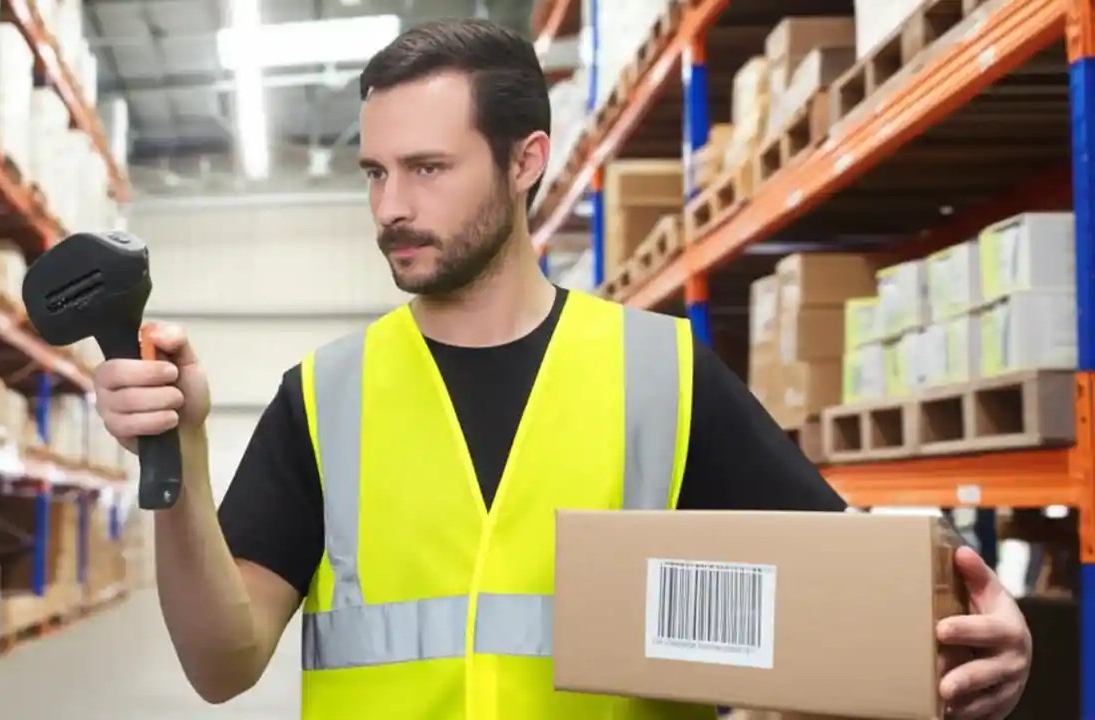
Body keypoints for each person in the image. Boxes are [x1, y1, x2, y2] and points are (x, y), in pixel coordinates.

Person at [94, 18, 1032, 720]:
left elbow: (860, 607)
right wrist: (179, 461)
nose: (391, 206)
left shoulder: (661, 374)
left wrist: (984, 646)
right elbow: (224, 665)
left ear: (525, 162)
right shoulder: (323, 397)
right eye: (375, 173)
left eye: (427, 168)